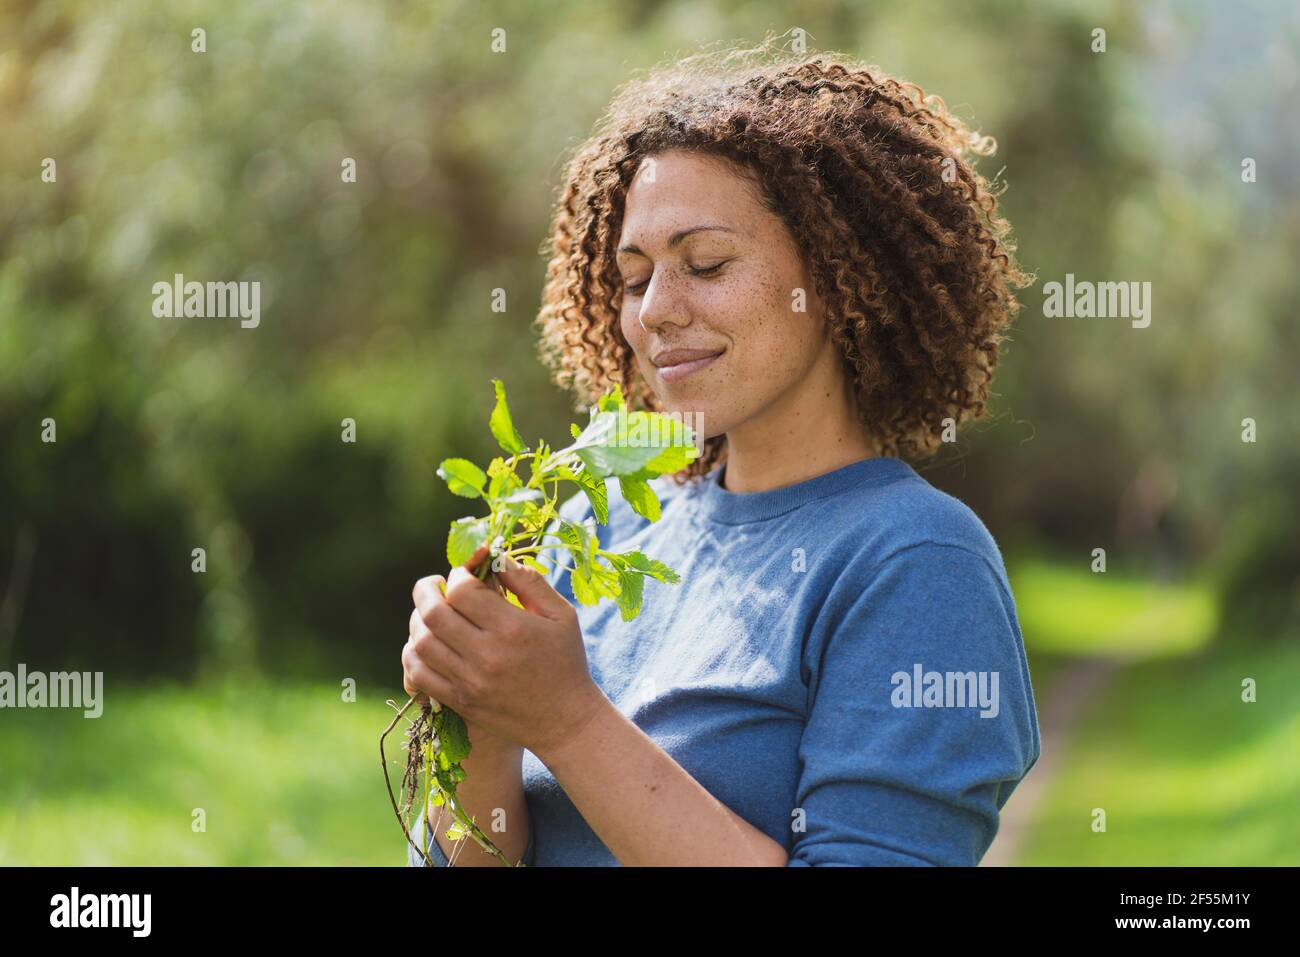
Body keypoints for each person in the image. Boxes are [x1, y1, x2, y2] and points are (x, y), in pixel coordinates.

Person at [403, 42, 1040, 866]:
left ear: (841, 272)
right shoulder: (598, 534)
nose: (656, 313)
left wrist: (565, 719)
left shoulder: (918, 562)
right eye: (634, 278)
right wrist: (485, 721)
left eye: (704, 263)